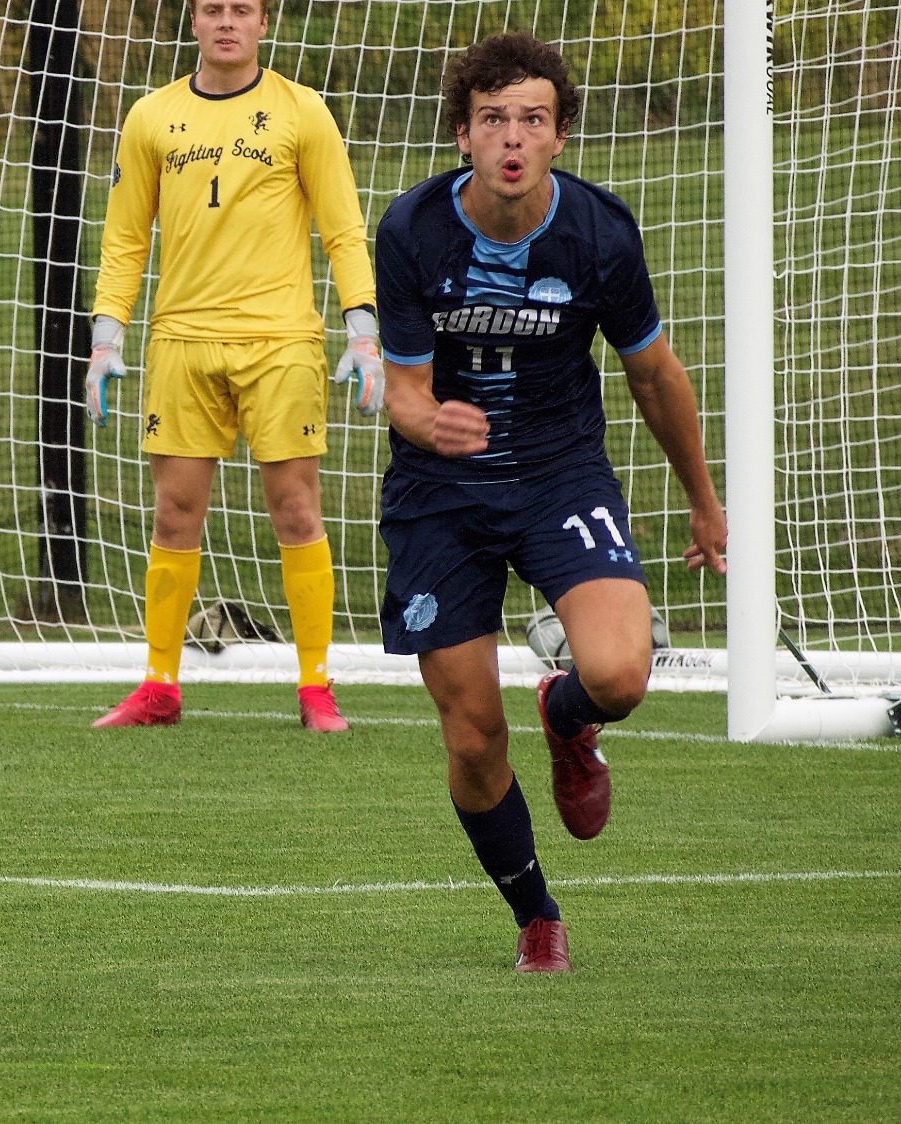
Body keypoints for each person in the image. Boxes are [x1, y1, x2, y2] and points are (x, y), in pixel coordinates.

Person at [374, 32, 726, 972]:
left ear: (561, 135)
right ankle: (536, 914)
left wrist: (703, 499)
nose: (513, 137)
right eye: (494, 119)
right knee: (472, 732)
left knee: (621, 675)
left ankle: (568, 717)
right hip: (438, 496)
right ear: (463, 135)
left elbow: (653, 375)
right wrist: (425, 422)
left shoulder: (601, 234)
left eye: (533, 118)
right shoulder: (410, 231)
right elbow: (401, 385)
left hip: (558, 475)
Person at [86, 0, 384, 732]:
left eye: (240, 9)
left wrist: (363, 329)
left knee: (296, 508)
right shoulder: (150, 117)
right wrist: (105, 338)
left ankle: (317, 689)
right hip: (182, 340)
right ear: (192, 20)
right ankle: (159, 686)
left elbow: (342, 228)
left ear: (263, 22)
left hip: (280, 342)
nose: (227, 21)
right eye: (213, 8)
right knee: (173, 512)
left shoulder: (302, 111)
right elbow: (125, 242)